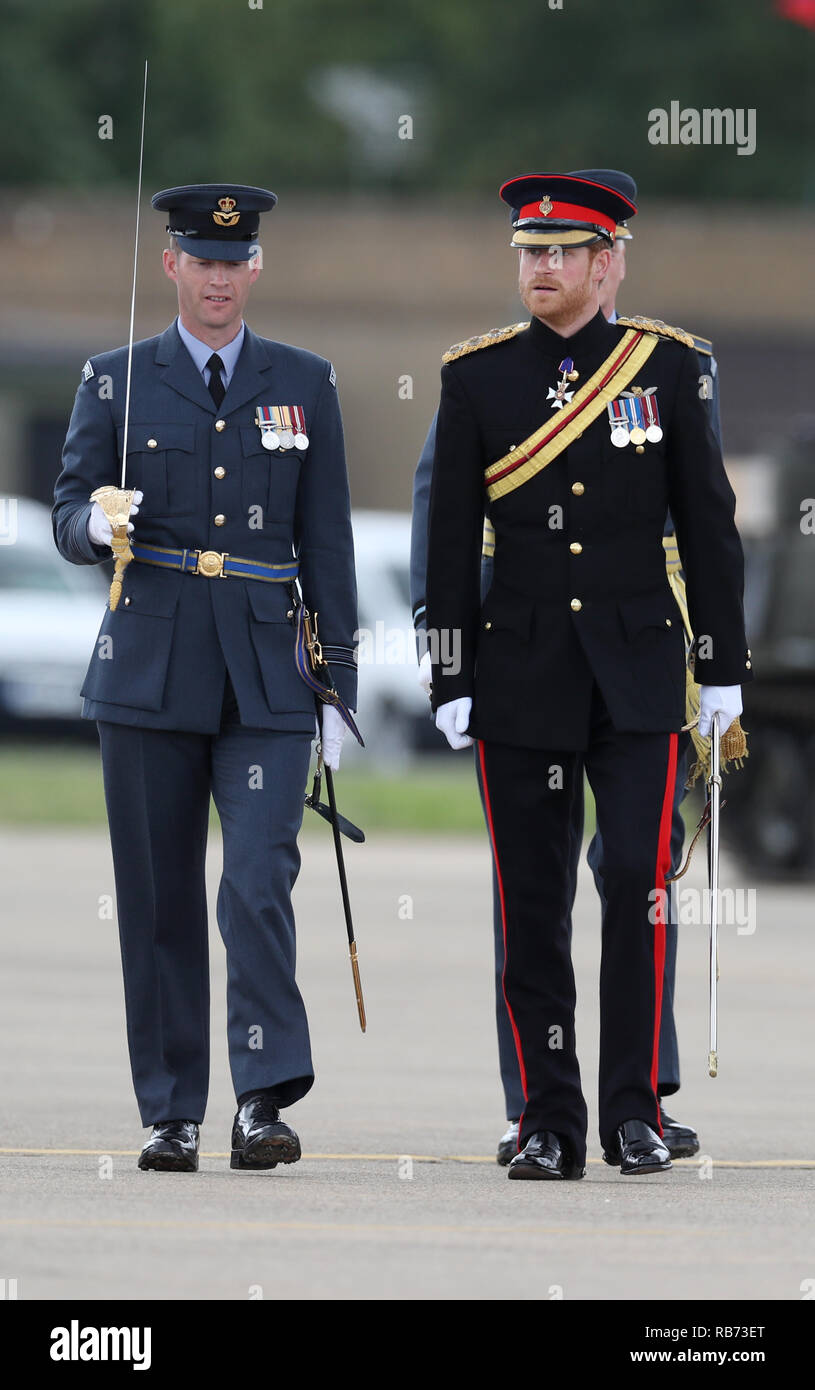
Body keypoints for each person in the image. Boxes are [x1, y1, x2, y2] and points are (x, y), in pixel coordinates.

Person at [425, 172, 751, 1179]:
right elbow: (442, 545)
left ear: (607, 262)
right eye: (529, 252)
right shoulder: (475, 378)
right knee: (531, 906)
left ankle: (632, 1112)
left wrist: (721, 673)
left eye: (563, 252)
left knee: (634, 886)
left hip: (639, 675)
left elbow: (707, 528)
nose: (542, 268)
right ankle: (546, 1122)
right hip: (520, 675)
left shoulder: (667, 367)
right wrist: (448, 675)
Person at [53, 184, 358, 1173]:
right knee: (157, 895)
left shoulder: (304, 382)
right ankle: (173, 1107)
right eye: (202, 259)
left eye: (235, 262)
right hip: (148, 668)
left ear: (254, 269)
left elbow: (328, 543)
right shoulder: (114, 380)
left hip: (267, 676)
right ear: (173, 265)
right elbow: (64, 510)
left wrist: (338, 682)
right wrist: (98, 525)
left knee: (258, 882)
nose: (219, 277)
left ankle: (261, 1100)